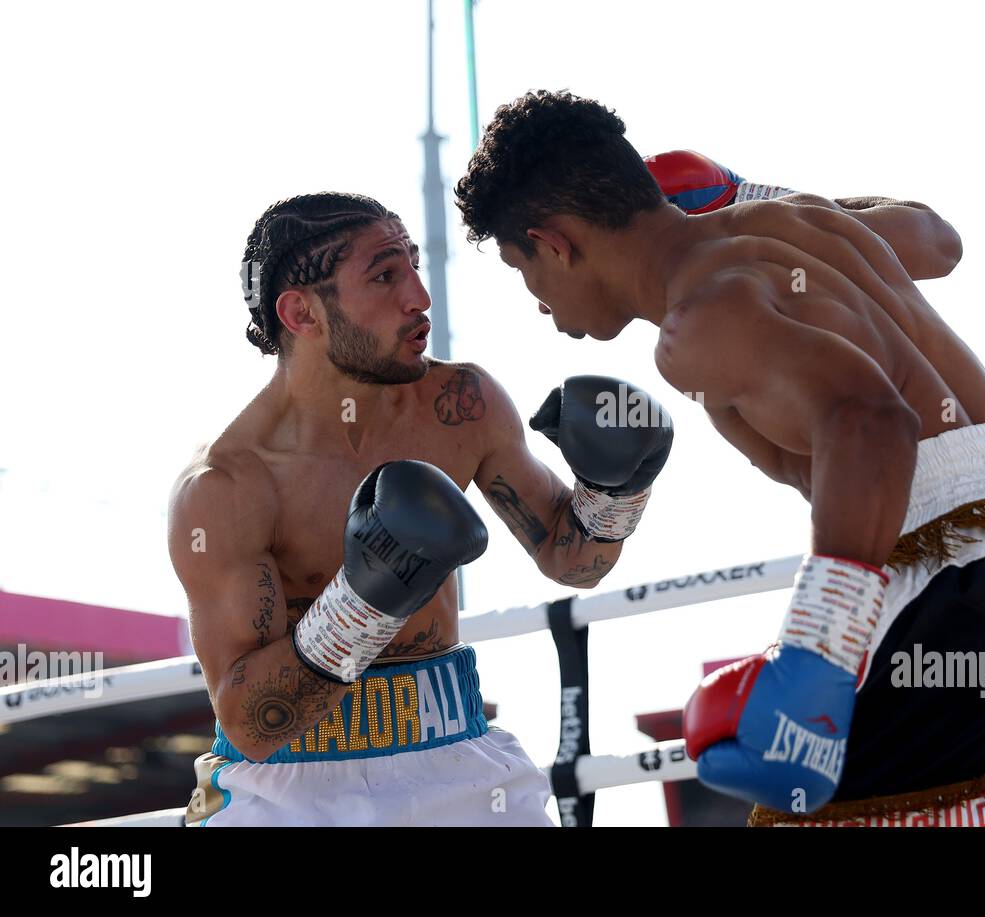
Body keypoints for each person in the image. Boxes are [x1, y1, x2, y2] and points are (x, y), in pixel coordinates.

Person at [453, 91, 985, 827]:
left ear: (553, 244)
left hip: (957, 578)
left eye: (523, 269)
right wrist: (747, 191)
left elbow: (874, 420)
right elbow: (937, 239)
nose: (537, 300)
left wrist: (819, 652)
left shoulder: (699, 321)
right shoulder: (798, 225)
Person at [167, 192, 672, 826]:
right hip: (290, 791)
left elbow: (575, 564)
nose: (419, 297)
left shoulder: (462, 404)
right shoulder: (227, 487)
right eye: (384, 275)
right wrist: (368, 599)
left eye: (413, 265)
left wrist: (616, 492)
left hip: (457, 757)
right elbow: (251, 726)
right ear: (301, 313)